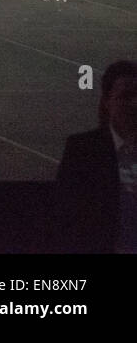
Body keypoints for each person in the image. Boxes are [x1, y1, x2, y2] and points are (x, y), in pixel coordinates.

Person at [55, 60, 137, 253]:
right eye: (126, 96)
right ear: (107, 101)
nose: (135, 103)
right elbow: (68, 215)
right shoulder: (83, 150)